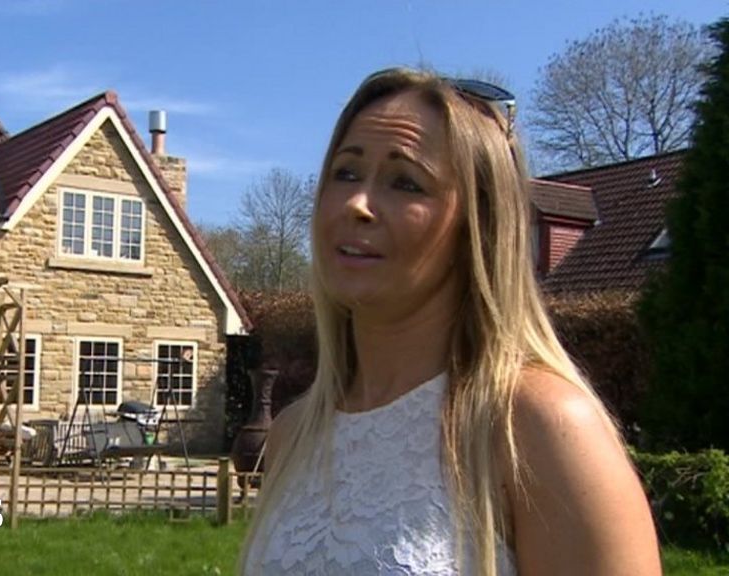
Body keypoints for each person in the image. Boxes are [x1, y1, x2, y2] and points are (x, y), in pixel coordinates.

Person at [240, 68, 661, 575]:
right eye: (346, 173)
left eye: (406, 183)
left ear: (477, 227)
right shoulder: (293, 435)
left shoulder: (536, 428)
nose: (357, 204)